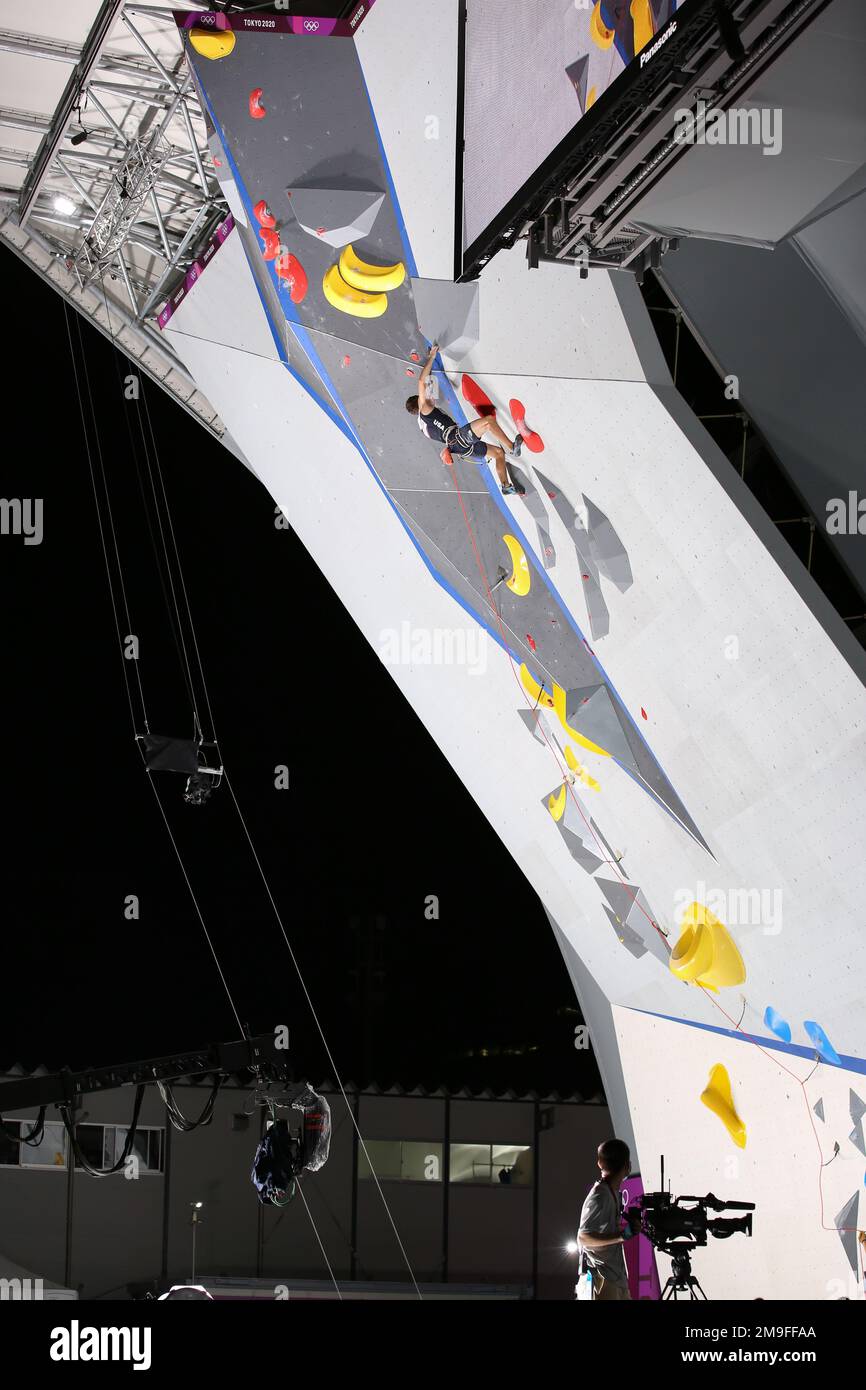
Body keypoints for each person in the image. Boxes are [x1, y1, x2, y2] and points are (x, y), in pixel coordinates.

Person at [406, 343, 525, 495]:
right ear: (419, 402)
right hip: (458, 439)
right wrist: (431, 357)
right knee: (488, 421)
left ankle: (506, 486)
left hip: (462, 449)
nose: (428, 397)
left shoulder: (424, 426)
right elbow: (422, 381)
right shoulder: (424, 408)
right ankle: (512, 447)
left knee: (498, 454)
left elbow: (430, 388)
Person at [577, 1138, 636, 1301]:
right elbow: (584, 1237)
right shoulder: (600, 1195)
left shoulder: (612, 1193)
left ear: (600, 1163)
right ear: (627, 1166)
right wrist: (622, 1236)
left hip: (614, 1277)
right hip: (602, 1278)